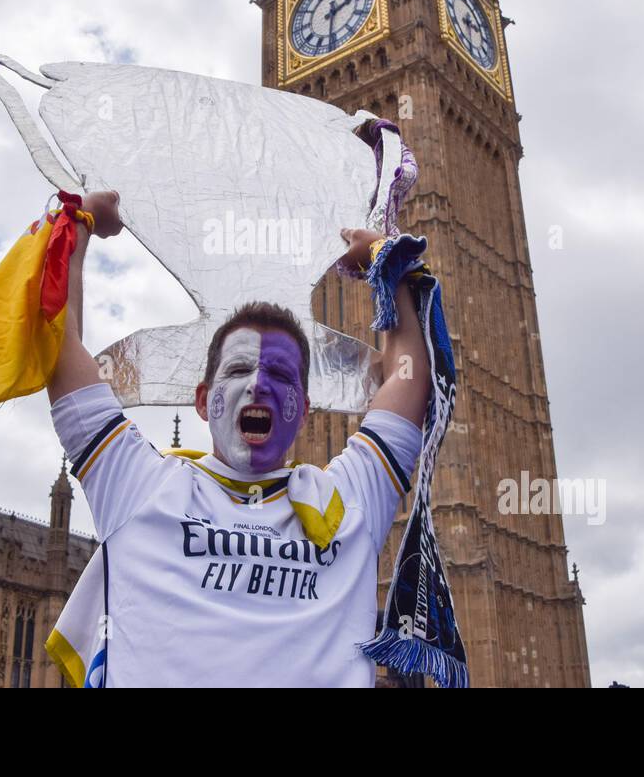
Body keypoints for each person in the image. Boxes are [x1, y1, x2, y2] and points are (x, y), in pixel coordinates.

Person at [44, 189, 431, 687]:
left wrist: (389, 265)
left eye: (280, 374)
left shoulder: (348, 504)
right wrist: (75, 227)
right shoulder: (140, 485)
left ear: (304, 411)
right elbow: (60, 347)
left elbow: (409, 379)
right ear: (204, 400)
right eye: (242, 368)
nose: (257, 384)